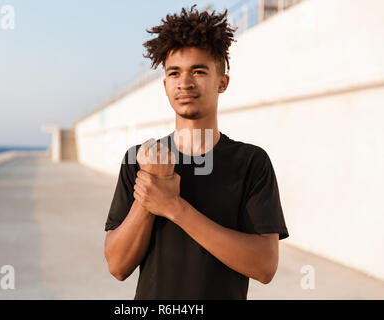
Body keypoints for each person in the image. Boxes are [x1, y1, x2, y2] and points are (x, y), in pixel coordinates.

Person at [104, 5, 289, 300]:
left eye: (198, 71)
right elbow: (117, 265)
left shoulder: (251, 162)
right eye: (174, 73)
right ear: (165, 86)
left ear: (222, 82)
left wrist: (175, 208)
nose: (185, 83)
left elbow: (265, 266)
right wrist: (149, 190)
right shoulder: (138, 159)